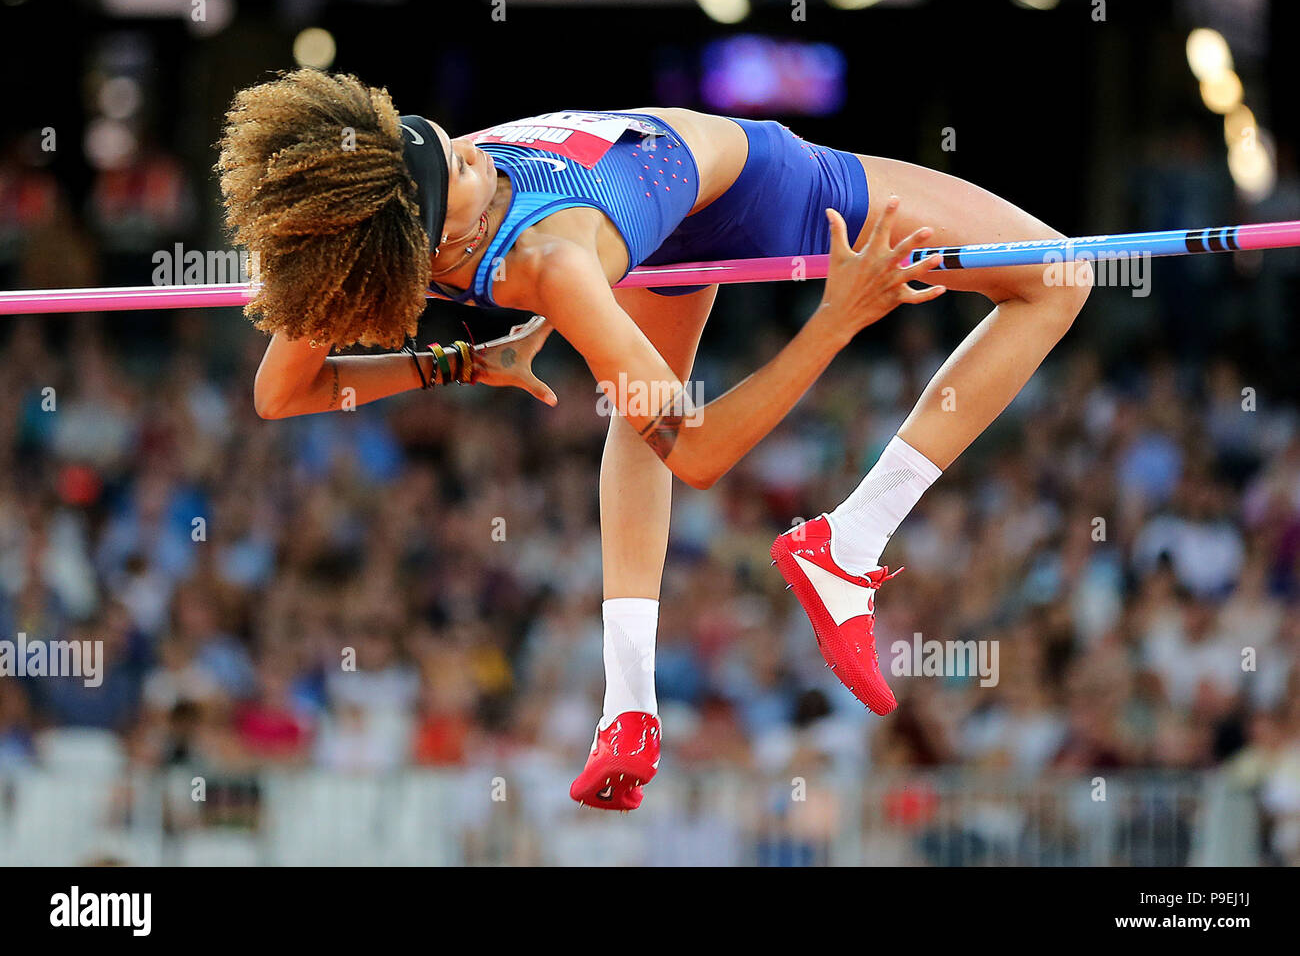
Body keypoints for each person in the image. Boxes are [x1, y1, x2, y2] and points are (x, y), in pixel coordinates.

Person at [217, 69, 1091, 810]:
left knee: (641, 412)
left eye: (440, 140)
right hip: (764, 195)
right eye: (454, 180)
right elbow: (702, 455)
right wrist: (835, 321)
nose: (469, 156)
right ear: (418, 253)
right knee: (1062, 274)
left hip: (666, 214)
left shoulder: (383, 183)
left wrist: (462, 362)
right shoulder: (537, 261)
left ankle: (627, 710)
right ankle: (848, 542)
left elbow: (282, 390)